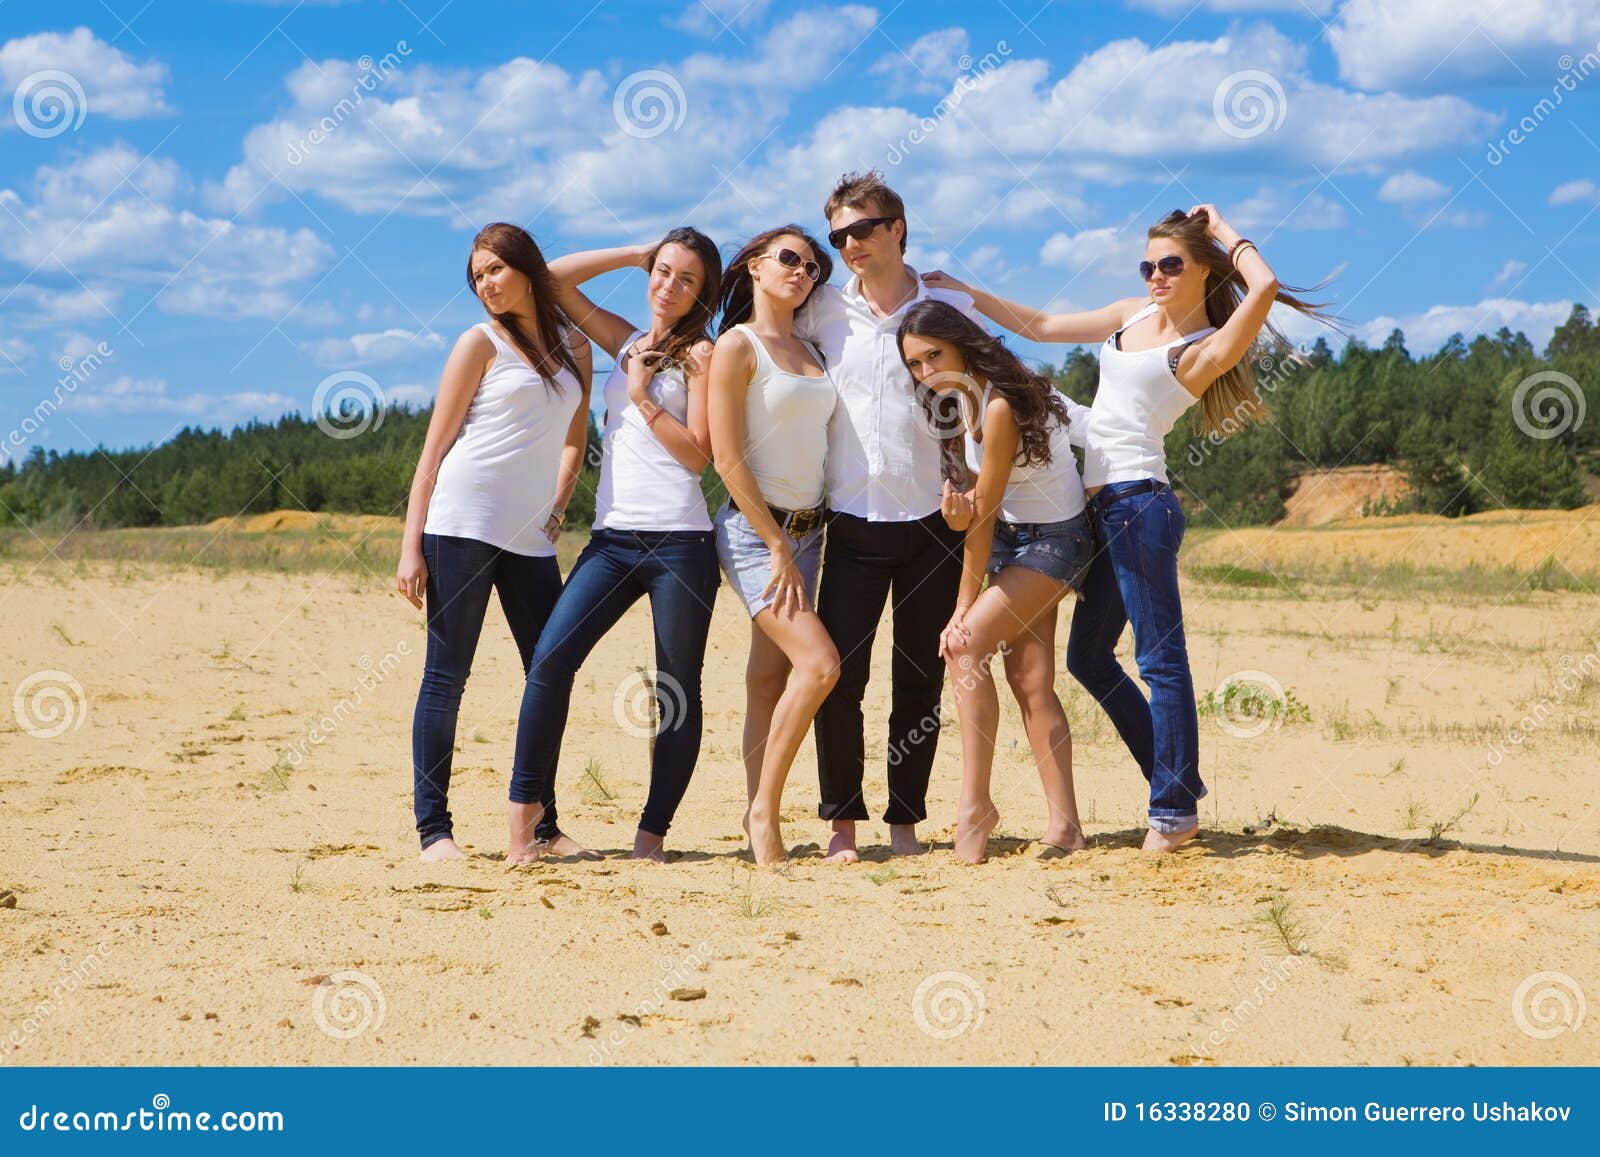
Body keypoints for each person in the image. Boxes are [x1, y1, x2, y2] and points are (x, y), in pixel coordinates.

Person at [925, 204, 1329, 851]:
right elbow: (1046, 323)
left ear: (1203, 270)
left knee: (1160, 660)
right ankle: (1178, 785)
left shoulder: (1200, 350)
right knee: (1087, 658)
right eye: (1148, 265)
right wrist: (971, 295)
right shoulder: (1133, 316)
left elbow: (1266, 289)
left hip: (1140, 506)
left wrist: (1225, 230)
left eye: (1171, 265)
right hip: (1099, 511)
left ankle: (1172, 813)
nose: (1156, 276)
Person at [505, 230, 723, 864]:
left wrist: (641, 398)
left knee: (677, 688)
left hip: (682, 545)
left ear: (702, 292)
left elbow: (699, 458)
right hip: (611, 542)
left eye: (686, 279)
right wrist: (633, 252)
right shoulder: (627, 340)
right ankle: (526, 825)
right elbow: (548, 280)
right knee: (549, 662)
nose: (669, 285)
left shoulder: (703, 355)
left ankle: (651, 837)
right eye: (662, 271)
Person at [795, 170, 985, 864]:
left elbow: (977, 395)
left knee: (920, 677)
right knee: (841, 678)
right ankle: (841, 821)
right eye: (837, 234)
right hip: (849, 520)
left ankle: (905, 819)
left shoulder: (948, 304)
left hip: (934, 523)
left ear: (896, 228)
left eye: (861, 229)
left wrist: (970, 481)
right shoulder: (820, 311)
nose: (848, 244)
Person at [399, 222, 591, 862]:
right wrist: (410, 544)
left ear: (526, 268)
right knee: (446, 676)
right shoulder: (477, 342)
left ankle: (543, 823)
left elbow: (573, 435)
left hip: (530, 539)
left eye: (496, 270)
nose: (485, 284)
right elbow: (435, 446)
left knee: (548, 673)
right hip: (461, 524)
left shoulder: (573, 346)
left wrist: (560, 502)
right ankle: (434, 830)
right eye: (477, 276)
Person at [898, 300, 1094, 864]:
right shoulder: (965, 405)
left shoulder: (1002, 404)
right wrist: (962, 509)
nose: (927, 371)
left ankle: (974, 804)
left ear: (961, 344)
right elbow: (982, 504)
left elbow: (983, 514)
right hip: (1016, 537)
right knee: (1030, 680)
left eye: (934, 355)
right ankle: (1067, 827)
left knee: (964, 645)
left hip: (1056, 541)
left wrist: (963, 602)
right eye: (915, 365)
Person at [707, 225, 841, 866]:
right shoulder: (736, 347)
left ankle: (756, 812)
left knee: (768, 678)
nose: (802, 272)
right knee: (820, 666)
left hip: (813, 532)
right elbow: (727, 457)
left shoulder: (812, 348)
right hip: (757, 532)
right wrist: (775, 542)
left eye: (814, 267)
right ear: (757, 266)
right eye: (790, 259)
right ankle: (764, 813)